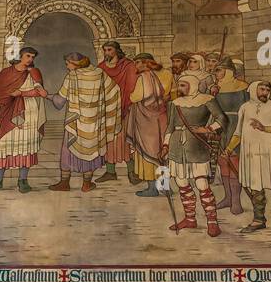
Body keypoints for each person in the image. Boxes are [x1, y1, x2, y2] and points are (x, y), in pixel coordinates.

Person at [163, 71, 226, 236]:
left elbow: (222, 118)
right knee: (182, 183)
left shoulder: (206, 100)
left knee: (202, 185)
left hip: (196, 145)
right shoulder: (175, 103)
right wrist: (165, 145)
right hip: (177, 146)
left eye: (183, 85)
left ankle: (212, 222)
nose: (180, 88)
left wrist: (208, 129)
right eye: (180, 85)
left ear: (193, 85)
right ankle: (190, 219)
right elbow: (170, 126)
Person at [48, 53, 121, 192]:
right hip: (94, 122)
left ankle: (64, 183)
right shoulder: (99, 73)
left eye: (67, 63)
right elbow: (115, 90)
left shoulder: (72, 76)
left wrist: (47, 95)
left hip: (75, 122)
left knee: (68, 150)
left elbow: (60, 101)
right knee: (91, 151)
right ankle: (86, 184)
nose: (66, 66)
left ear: (75, 64)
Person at [232, 80, 271, 236]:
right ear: (253, 90)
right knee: (256, 187)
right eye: (262, 89)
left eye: (267, 89)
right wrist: (229, 148)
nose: (265, 92)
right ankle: (259, 220)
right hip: (251, 153)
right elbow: (238, 132)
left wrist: (265, 128)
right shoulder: (244, 108)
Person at [0, 46, 48, 193]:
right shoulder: (7, 72)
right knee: (3, 145)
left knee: (26, 147)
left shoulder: (34, 72)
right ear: (20, 56)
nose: (31, 59)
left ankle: (23, 181)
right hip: (9, 112)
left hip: (29, 112)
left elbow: (41, 92)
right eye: (28, 56)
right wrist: (10, 95)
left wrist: (22, 92)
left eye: (33, 57)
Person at [125, 53, 170, 196]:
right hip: (160, 117)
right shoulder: (158, 76)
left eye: (138, 62)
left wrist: (131, 96)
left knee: (148, 152)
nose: (136, 66)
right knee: (161, 153)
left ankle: (152, 188)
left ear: (146, 63)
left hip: (146, 121)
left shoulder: (143, 78)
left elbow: (135, 97)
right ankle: (165, 186)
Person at [95, 41, 139, 183]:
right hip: (107, 110)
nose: (106, 52)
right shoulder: (101, 67)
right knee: (109, 141)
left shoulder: (128, 65)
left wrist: (123, 106)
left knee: (126, 140)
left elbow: (131, 87)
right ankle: (110, 172)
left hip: (124, 108)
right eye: (105, 50)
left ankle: (132, 172)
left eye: (109, 49)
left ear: (117, 50)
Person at [212, 58, 249, 215]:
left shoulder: (244, 87)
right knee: (223, 163)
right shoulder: (216, 88)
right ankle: (227, 198)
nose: (216, 74)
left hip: (237, 125)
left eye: (219, 70)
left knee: (235, 163)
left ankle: (236, 201)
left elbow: (249, 108)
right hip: (221, 126)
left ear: (228, 71)